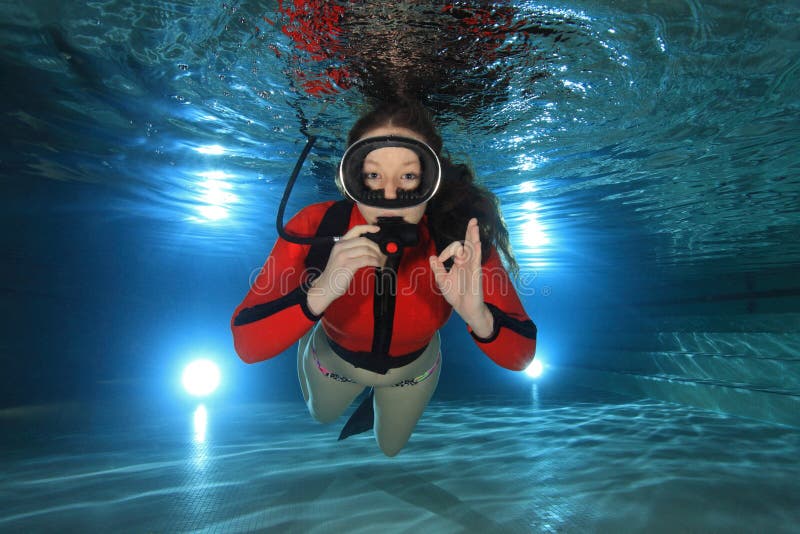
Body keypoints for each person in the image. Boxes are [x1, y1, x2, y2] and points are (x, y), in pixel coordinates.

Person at [231, 100, 536, 456]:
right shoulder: (317, 226)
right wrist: (322, 291)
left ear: (431, 181)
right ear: (351, 179)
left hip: (413, 372)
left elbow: (521, 358)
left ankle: (369, 397)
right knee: (322, 413)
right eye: (373, 176)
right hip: (332, 362)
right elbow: (247, 346)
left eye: (408, 177)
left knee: (390, 447)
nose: (390, 197)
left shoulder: (458, 236)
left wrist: (479, 316)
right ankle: (308, 340)